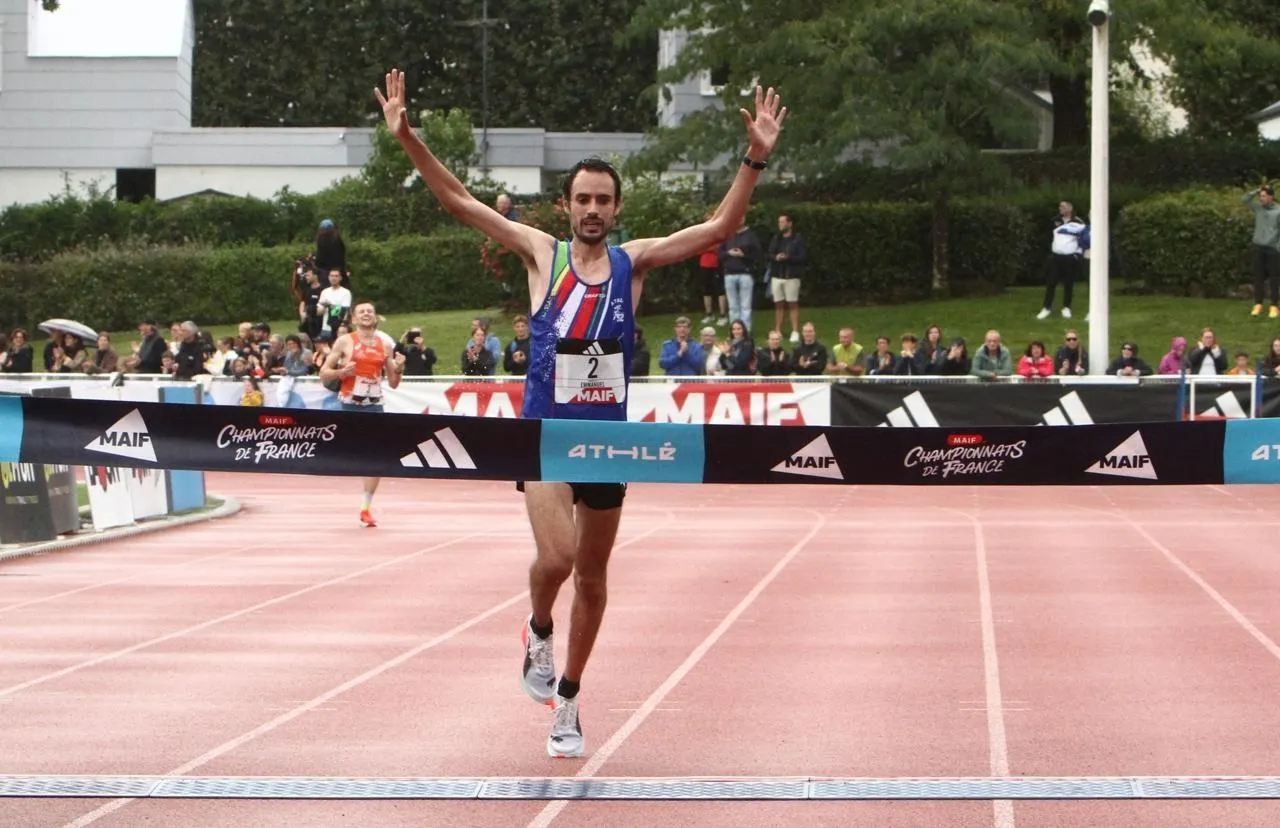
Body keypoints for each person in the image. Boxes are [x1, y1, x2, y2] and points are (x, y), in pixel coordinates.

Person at [376, 67, 785, 758]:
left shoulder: (635, 262)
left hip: (610, 443)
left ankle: (567, 700)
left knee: (594, 578)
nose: (593, 209)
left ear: (616, 210)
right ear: (565, 208)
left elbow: (724, 224)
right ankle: (538, 627)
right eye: (582, 199)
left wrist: (755, 158)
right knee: (558, 558)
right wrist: (408, 137)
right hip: (544, 437)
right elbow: (460, 200)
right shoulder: (542, 254)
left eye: (603, 200)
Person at [318, 300, 405, 528]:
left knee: (376, 457)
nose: (366, 314)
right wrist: (341, 372)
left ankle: (366, 506)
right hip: (349, 404)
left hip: (374, 404)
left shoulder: (384, 345)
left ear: (375, 317)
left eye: (370, 311)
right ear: (355, 319)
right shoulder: (345, 341)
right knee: (348, 455)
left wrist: (400, 367)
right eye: (361, 312)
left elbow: (394, 383)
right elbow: (323, 374)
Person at [1242, 185, 1280, 318]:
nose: (1261, 198)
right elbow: (1245, 200)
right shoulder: (1258, 208)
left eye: (1264, 196)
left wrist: (1277, 247)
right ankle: (1258, 304)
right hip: (1258, 247)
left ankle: (1274, 306)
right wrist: (1257, 190)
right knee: (1258, 277)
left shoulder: (1278, 211)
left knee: (1274, 279)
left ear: (1271, 197)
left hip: (1272, 249)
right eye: (1261, 196)